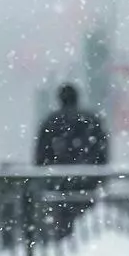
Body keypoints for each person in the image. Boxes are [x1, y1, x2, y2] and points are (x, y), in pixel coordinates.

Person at [33, 83, 109, 237]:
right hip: (87, 181)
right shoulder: (91, 120)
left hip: (59, 183)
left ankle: (66, 244)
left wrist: (46, 178)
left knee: (63, 225)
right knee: (88, 228)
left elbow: (41, 156)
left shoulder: (51, 122)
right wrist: (99, 176)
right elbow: (102, 152)